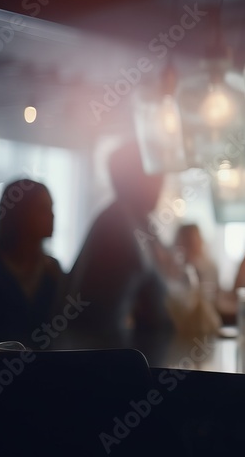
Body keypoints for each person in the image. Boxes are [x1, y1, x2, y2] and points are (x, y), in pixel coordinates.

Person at [68, 142, 172, 343]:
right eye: (154, 174)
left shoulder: (132, 220)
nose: (161, 183)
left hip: (110, 352)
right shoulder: (120, 223)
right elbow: (155, 308)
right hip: (100, 360)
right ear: (134, 179)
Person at [0, 179, 65, 349]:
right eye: (42, 209)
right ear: (19, 214)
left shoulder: (53, 270)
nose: (52, 215)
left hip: (45, 370)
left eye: (51, 208)